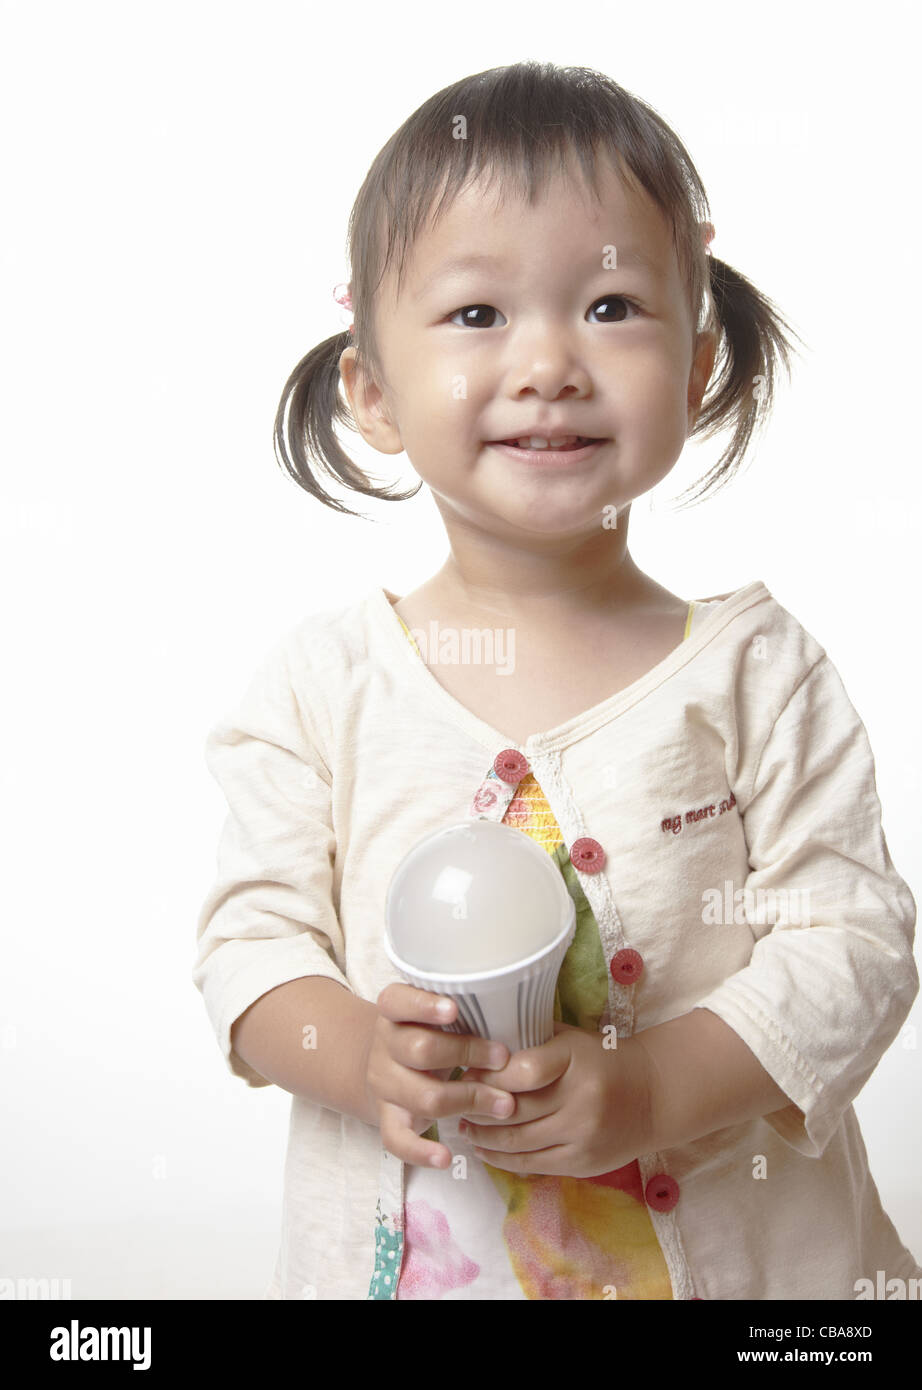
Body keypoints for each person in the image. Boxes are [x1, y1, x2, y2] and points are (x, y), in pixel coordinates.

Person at [193, 61, 920, 1300]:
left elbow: (851, 940)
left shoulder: (755, 673)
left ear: (693, 368)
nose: (547, 363)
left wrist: (657, 1087)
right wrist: (361, 1048)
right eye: (478, 315)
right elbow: (247, 947)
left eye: (611, 304)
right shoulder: (323, 685)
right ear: (371, 389)